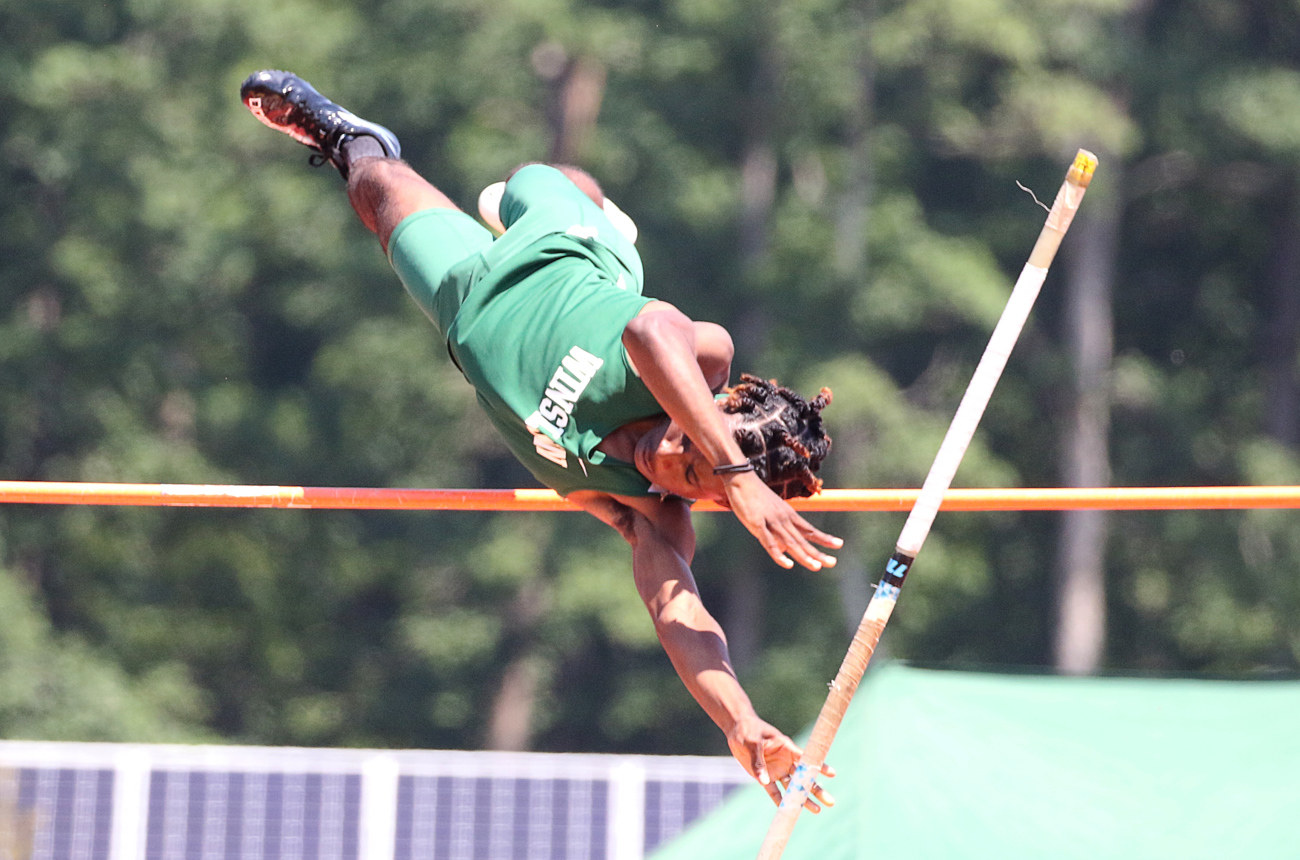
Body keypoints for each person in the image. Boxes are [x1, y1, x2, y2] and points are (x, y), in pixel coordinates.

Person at [240, 70, 840, 812]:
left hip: (467, 299)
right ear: (711, 412)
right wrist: (736, 473)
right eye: (693, 447)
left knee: (372, 181)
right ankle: (604, 210)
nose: (673, 464)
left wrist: (740, 722)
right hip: (563, 250)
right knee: (537, 178)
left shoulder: (651, 514)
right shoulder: (698, 360)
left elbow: (682, 617)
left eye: (693, 480)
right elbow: (654, 330)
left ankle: (353, 137)